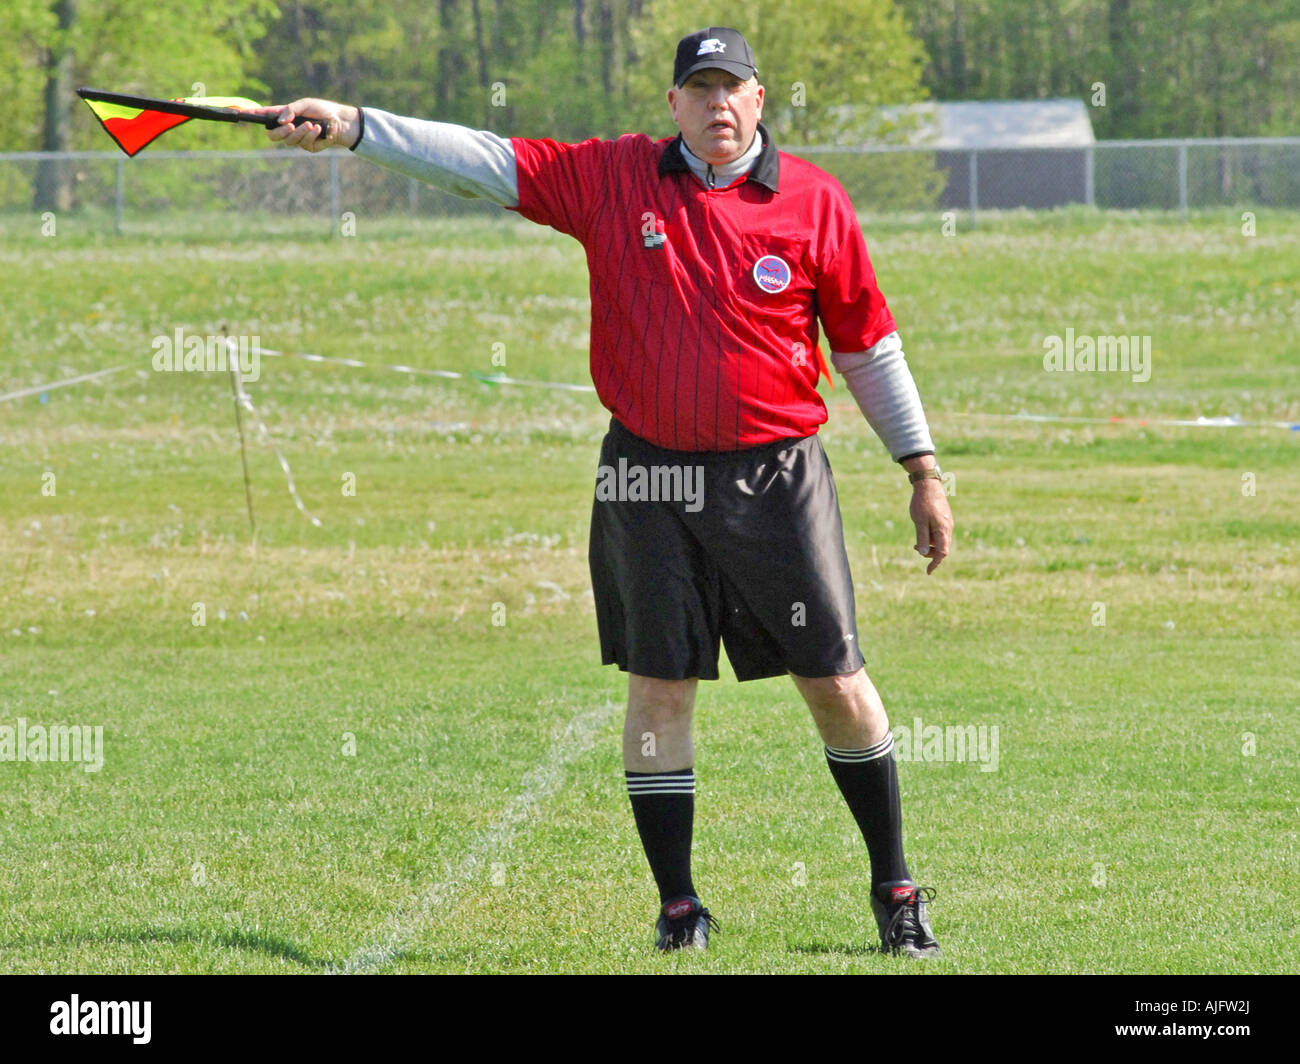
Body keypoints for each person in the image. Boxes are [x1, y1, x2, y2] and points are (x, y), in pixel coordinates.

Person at [253, 25, 953, 959]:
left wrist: (922, 471)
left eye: (731, 88)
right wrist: (354, 127)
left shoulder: (815, 201)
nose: (716, 105)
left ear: (758, 99)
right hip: (646, 471)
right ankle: (678, 908)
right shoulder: (614, 176)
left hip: (776, 473)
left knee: (834, 678)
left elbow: (867, 346)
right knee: (659, 686)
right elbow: (483, 160)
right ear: (672, 105)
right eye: (697, 90)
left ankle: (895, 889)